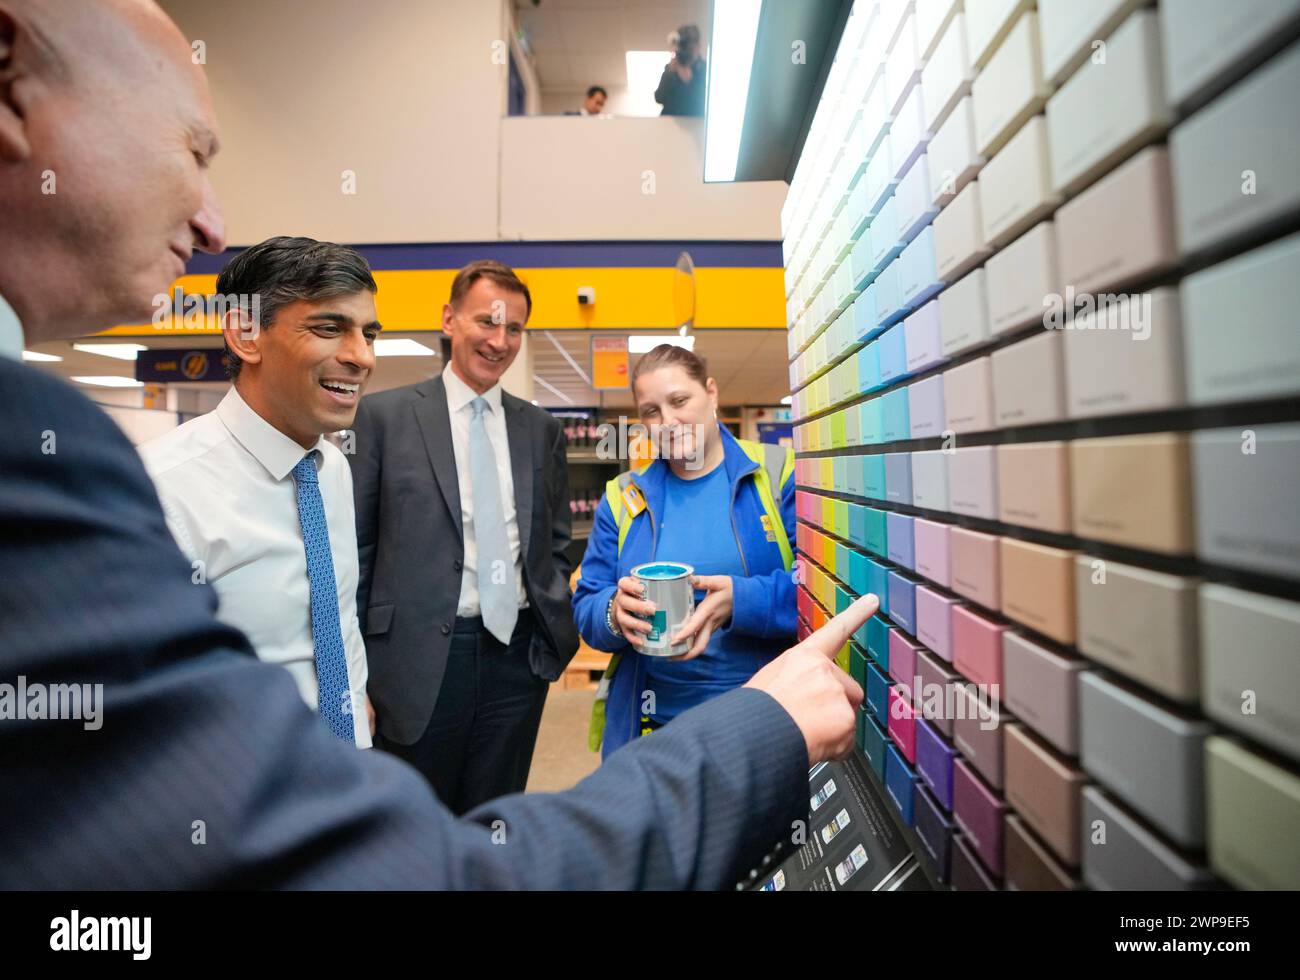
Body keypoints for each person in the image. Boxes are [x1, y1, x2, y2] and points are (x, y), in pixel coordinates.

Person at [0, 0, 869, 889]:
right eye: (190, 149)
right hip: (411, 694)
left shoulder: (334, 471)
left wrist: (565, 635)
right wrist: (742, 725)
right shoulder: (140, 486)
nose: (213, 221)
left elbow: (421, 581)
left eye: (368, 334)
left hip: (496, 681)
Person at [348, 260, 578, 813]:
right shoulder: (381, 417)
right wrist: (355, 678)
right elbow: (354, 553)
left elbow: (554, 541)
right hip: (416, 660)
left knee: (495, 812)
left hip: (517, 657)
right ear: (450, 319)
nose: (500, 341)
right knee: (414, 818)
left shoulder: (541, 429)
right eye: (487, 322)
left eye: (515, 328)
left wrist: (549, 637)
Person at [139, 237, 381, 748]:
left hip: (342, 771)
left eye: (369, 334)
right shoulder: (160, 492)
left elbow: (335, 614)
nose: (361, 357)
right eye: (329, 328)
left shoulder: (329, 467)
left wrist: (354, 702)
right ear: (246, 334)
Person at [573, 345, 797, 759]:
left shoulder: (776, 474)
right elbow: (587, 603)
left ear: (711, 394)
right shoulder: (624, 498)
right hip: (655, 731)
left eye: (679, 401)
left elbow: (819, 590)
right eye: (651, 411)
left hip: (763, 723)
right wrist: (613, 613)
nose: (668, 422)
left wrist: (742, 599)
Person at [654, 24, 707, 117]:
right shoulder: (671, 68)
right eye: (685, 48)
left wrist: (690, 82)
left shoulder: (704, 70)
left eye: (690, 48)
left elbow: (705, 103)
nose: (687, 52)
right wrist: (669, 74)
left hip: (695, 125)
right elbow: (659, 98)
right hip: (669, 124)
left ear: (698, 46)